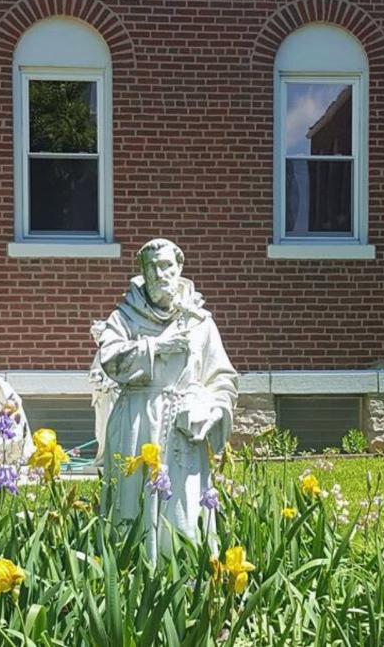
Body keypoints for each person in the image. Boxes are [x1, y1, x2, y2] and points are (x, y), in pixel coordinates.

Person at [95, 238, 238, 555]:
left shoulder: (199, 322)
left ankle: (185, 583)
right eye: (153, 267)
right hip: (136, 423)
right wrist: (156, 347)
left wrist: (212, 411)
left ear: (179, 268)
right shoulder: (125, 317)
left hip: (183, 431)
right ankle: (130, 583)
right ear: (143, 273)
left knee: (184, 515)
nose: (161, 274)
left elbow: (222, 377)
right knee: (131, 510)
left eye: (167, 266)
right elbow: (110, 359)